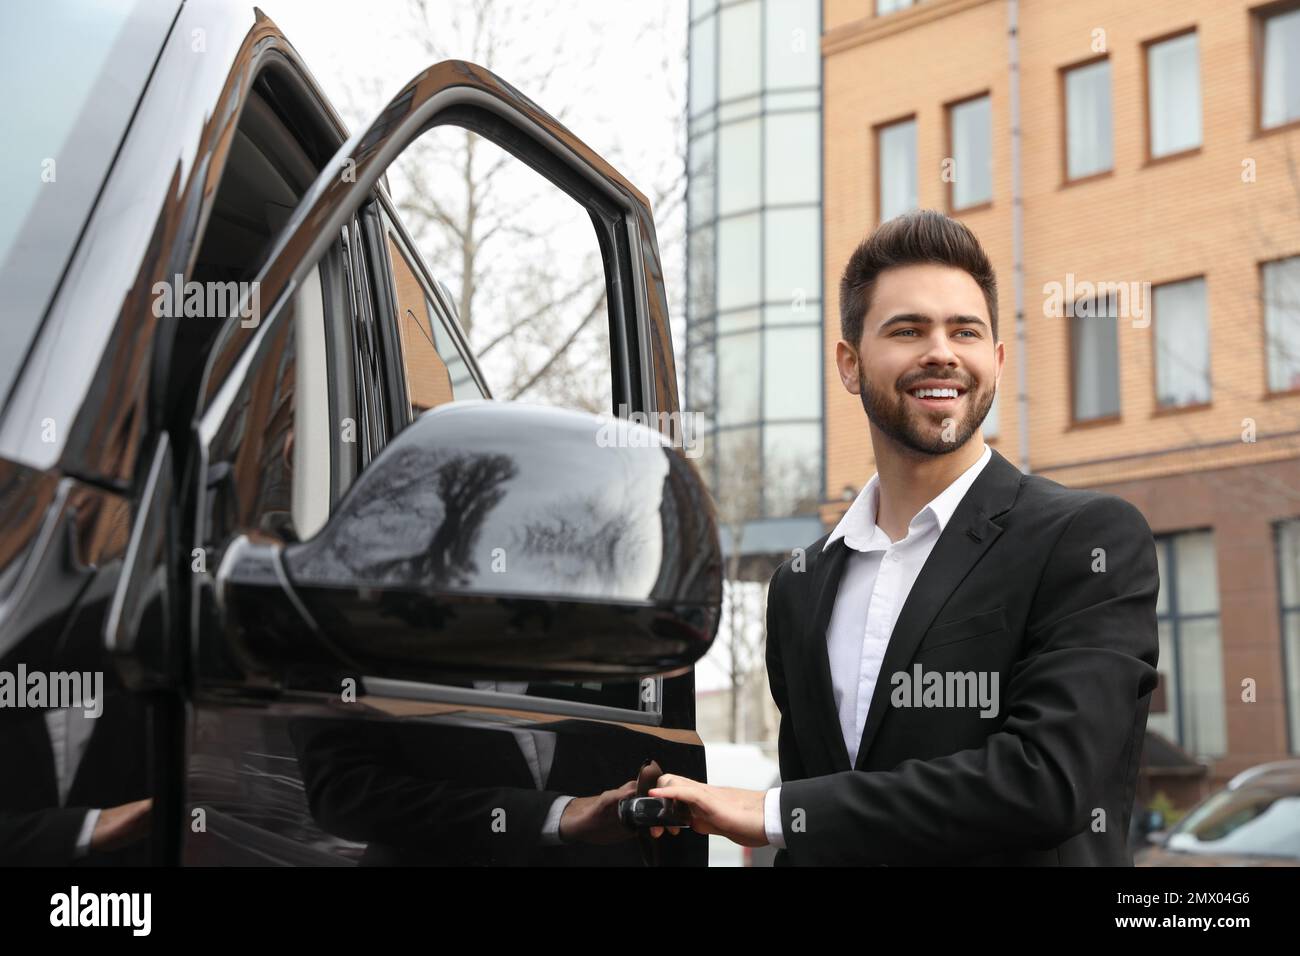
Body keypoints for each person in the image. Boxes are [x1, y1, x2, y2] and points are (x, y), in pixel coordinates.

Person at [648, 209, 1160, 865]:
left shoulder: (1088, 540)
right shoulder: (799, 588)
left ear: (996, 362)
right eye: (908, 329)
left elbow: (1048, 780)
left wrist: (774, 811)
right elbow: (819, 832)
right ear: (850, 363)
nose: (941, 351)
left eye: (965, 331)